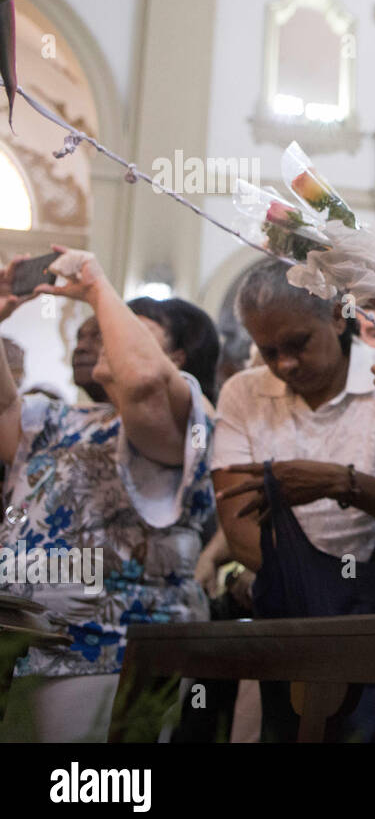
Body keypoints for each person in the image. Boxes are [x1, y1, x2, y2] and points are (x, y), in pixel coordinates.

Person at [212, 259, 375, 742]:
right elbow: (239, 525)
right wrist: (314, 589)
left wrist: (343, 483)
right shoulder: (243, 392)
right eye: (269, 350)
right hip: (291, 624)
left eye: (298, 343)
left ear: (337, 319)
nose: (284, 363)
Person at [0, 248, 214, 742]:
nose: (95, 333)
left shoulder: (188, 418)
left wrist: (97, 285)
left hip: (112, 653)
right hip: (29, 648)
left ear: (176, 359)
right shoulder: (61, 418)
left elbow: (143, 384)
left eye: (120, 323)